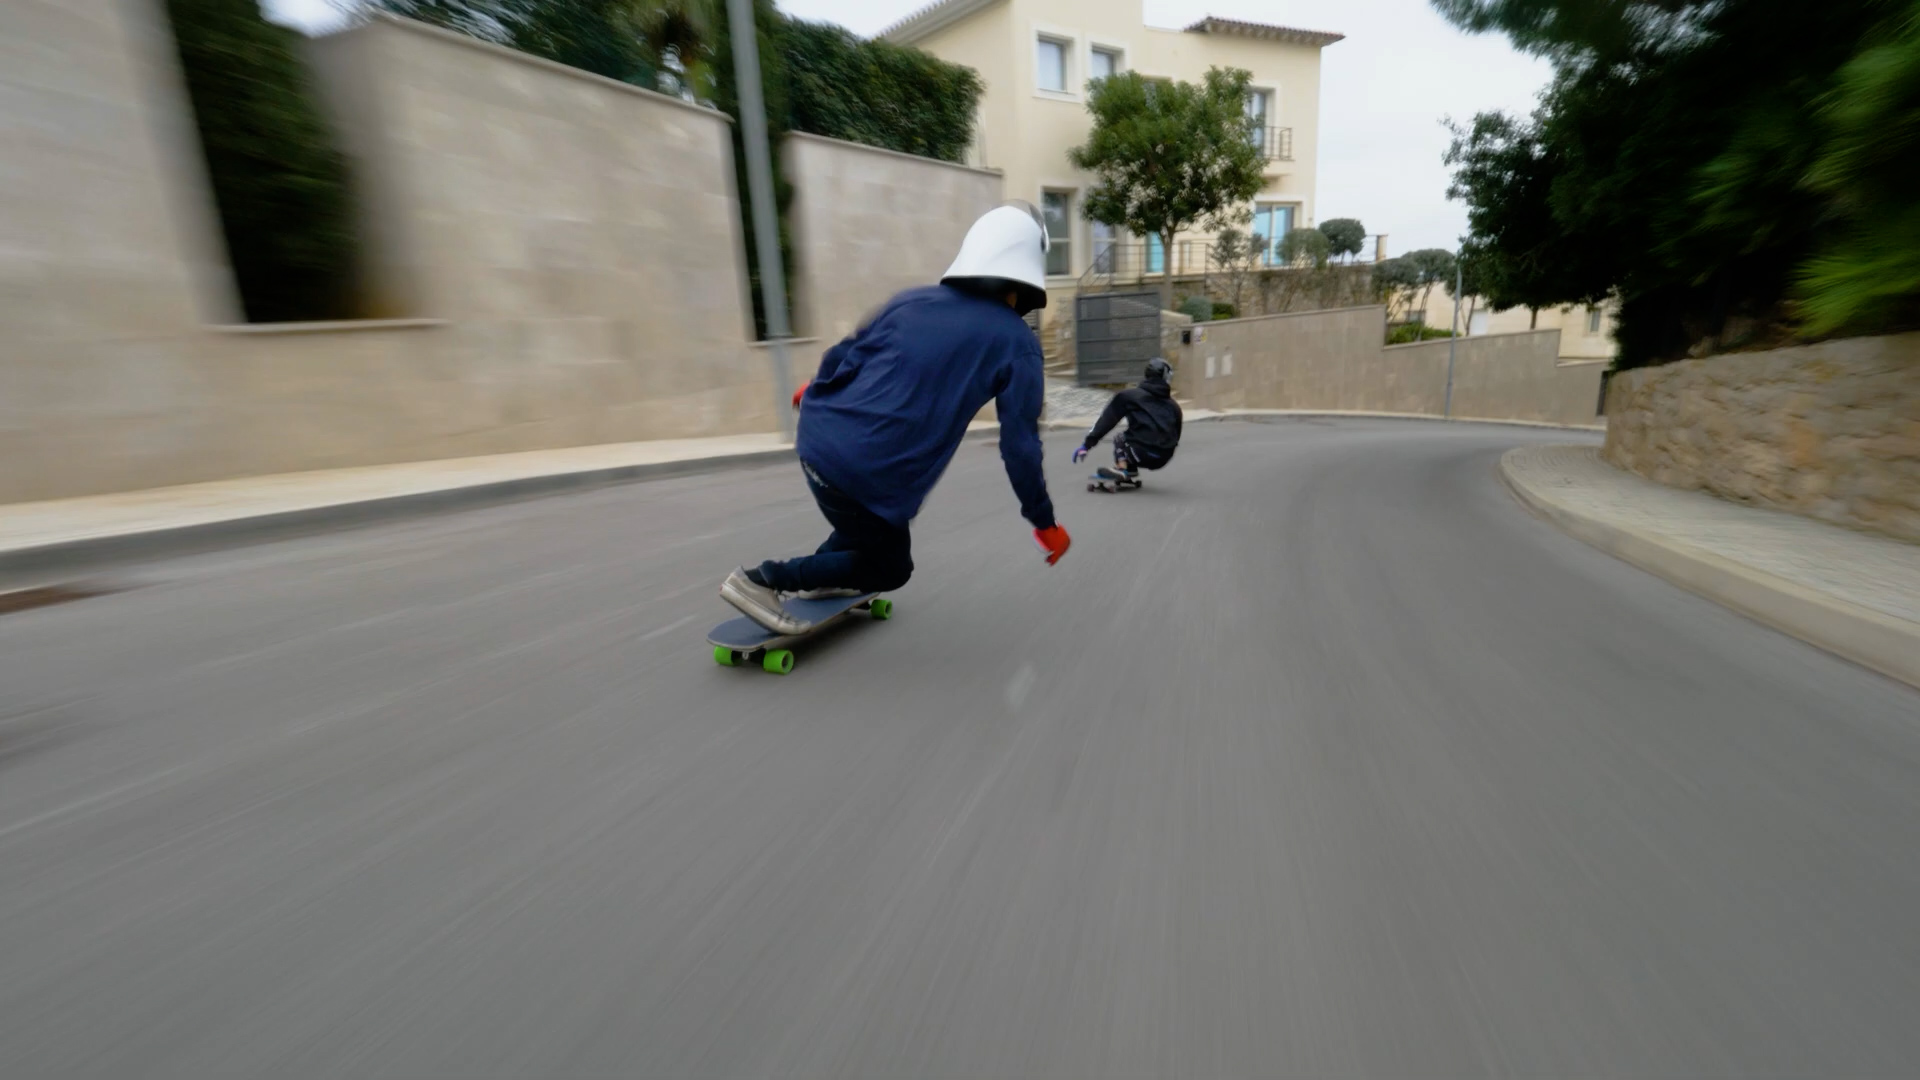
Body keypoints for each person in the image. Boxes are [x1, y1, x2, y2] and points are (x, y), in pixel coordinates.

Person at [720, 203, 1072, 634]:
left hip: (816, 437)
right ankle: (764, 581)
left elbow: (844, 354)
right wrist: (1044, 522)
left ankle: (824, 580)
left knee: (866, 527)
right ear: (1027, 276)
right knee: (892, 566)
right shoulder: (1017, 344)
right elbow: (1020, 446)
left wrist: (814, 388)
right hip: (867, 471)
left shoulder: (911, 301)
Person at [1071, 357, 1183, 480]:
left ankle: (1122, 469)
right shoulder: (1175, 407)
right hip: (1163, 458)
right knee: (1137, 437)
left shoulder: (1129, 396)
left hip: (1139, 454)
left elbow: (1106, 421)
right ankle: (1131, 468)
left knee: (1121, 438)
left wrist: (1086, 445)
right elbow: (1177, 435)